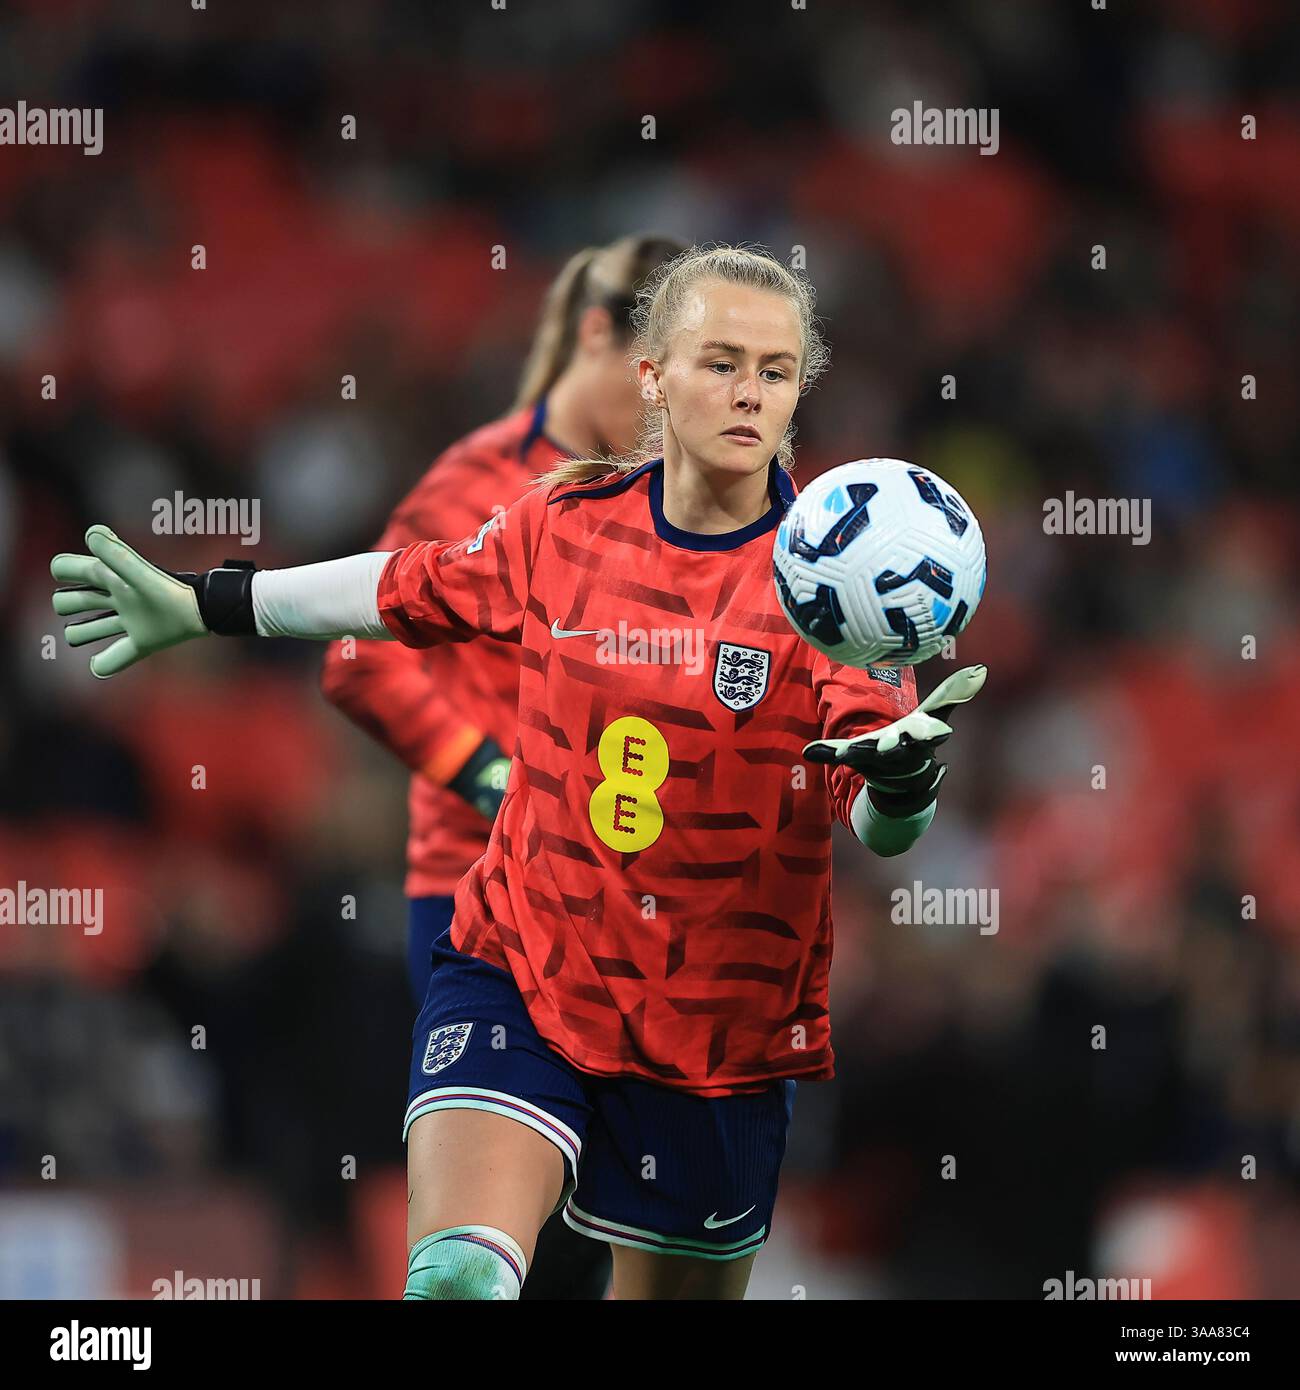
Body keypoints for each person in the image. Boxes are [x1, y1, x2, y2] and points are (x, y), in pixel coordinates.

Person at [51, 244, 986, 1301]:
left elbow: (878, 818)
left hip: (721, 1038)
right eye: (719, 361)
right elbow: (406, 588)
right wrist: (212, 601)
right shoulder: (564, 523)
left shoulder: (832, 584)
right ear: (652, 376)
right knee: (458, 1279)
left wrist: (903, 789)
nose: (747, 392)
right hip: (523, 968)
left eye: (773, 371)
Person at [319, 233, 685, 1300]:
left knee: (602, 1231)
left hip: (625, 908)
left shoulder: (665, 498)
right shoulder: (482, 479)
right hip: (477, 903)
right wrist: (486, 772)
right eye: (653, 378)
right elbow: (357, 657)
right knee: (501, 1242)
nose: (666, 415)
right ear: (592, 334)